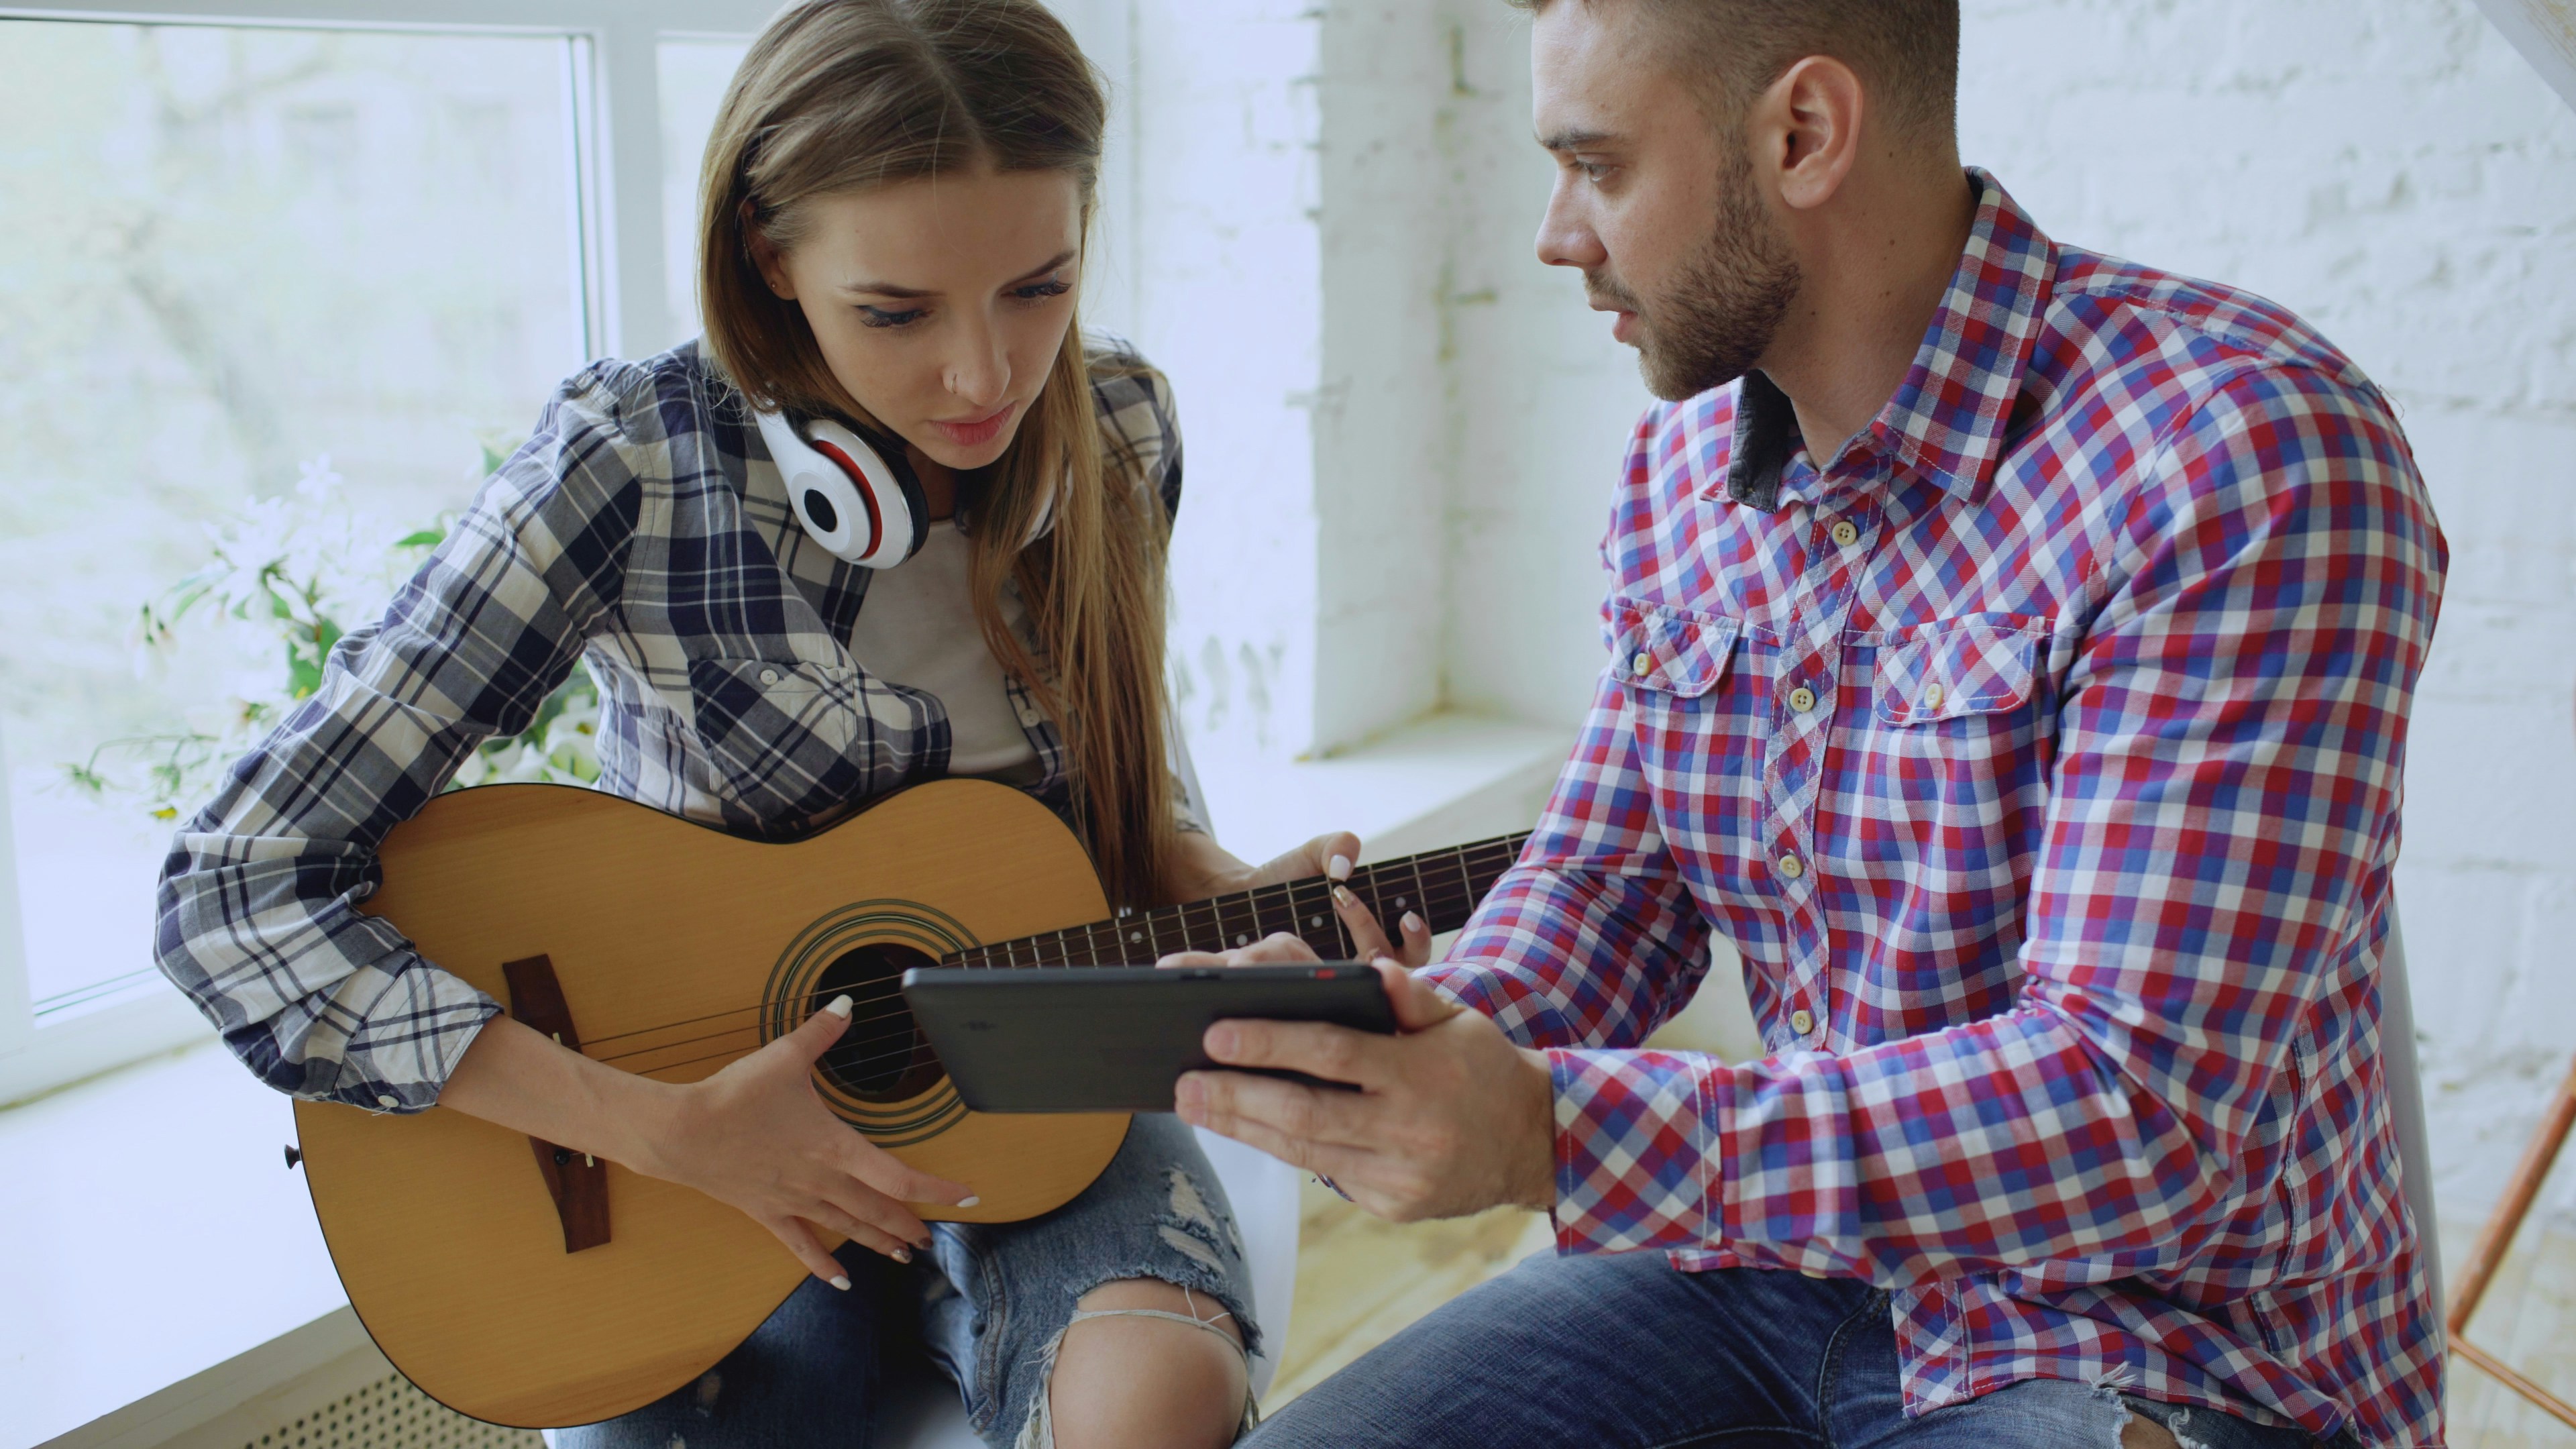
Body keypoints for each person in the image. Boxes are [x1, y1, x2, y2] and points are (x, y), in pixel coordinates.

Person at [1165, 2, 2447, 1446]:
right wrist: (1416, 1046)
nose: (1554, 235)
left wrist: (1546, 1131)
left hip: (2164, 1351)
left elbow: (2138, 1115)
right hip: (1794, 1276)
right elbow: (1608, 883)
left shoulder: (2241, 452)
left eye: (1597, 165)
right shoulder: (1685, 469)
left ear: (1804, 135)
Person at [153, 3, 1382, 1446]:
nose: (986, 377)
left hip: (1044, 1072)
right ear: (768, 254)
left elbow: (1127, 808)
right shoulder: (633, 465)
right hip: (689, 1152)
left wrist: (1229, 888)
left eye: (1038, 289)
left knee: (1158, 1407)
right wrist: (656, 1129)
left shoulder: (1120, 431)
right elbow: (229, 889)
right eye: (898, 312)